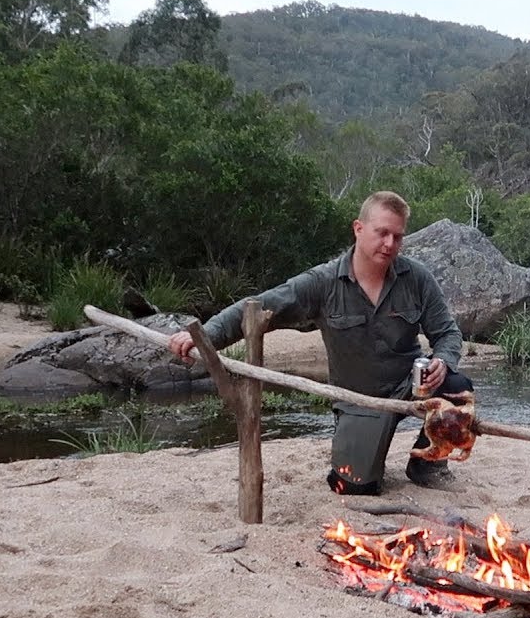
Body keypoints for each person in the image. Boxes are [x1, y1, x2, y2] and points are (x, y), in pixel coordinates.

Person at [167, 191, 471, 495]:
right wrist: (203, 336)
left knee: (458, 387)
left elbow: (447, 333)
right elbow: (257, 307)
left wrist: (442, 361)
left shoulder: (417, 278)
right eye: (382, 233)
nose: (390, 244)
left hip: (411, 388)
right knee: (357, 486)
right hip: (357, 401)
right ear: (358, 228)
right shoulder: (322, 283)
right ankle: (360, 457)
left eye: (397, 236)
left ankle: (428, 464)